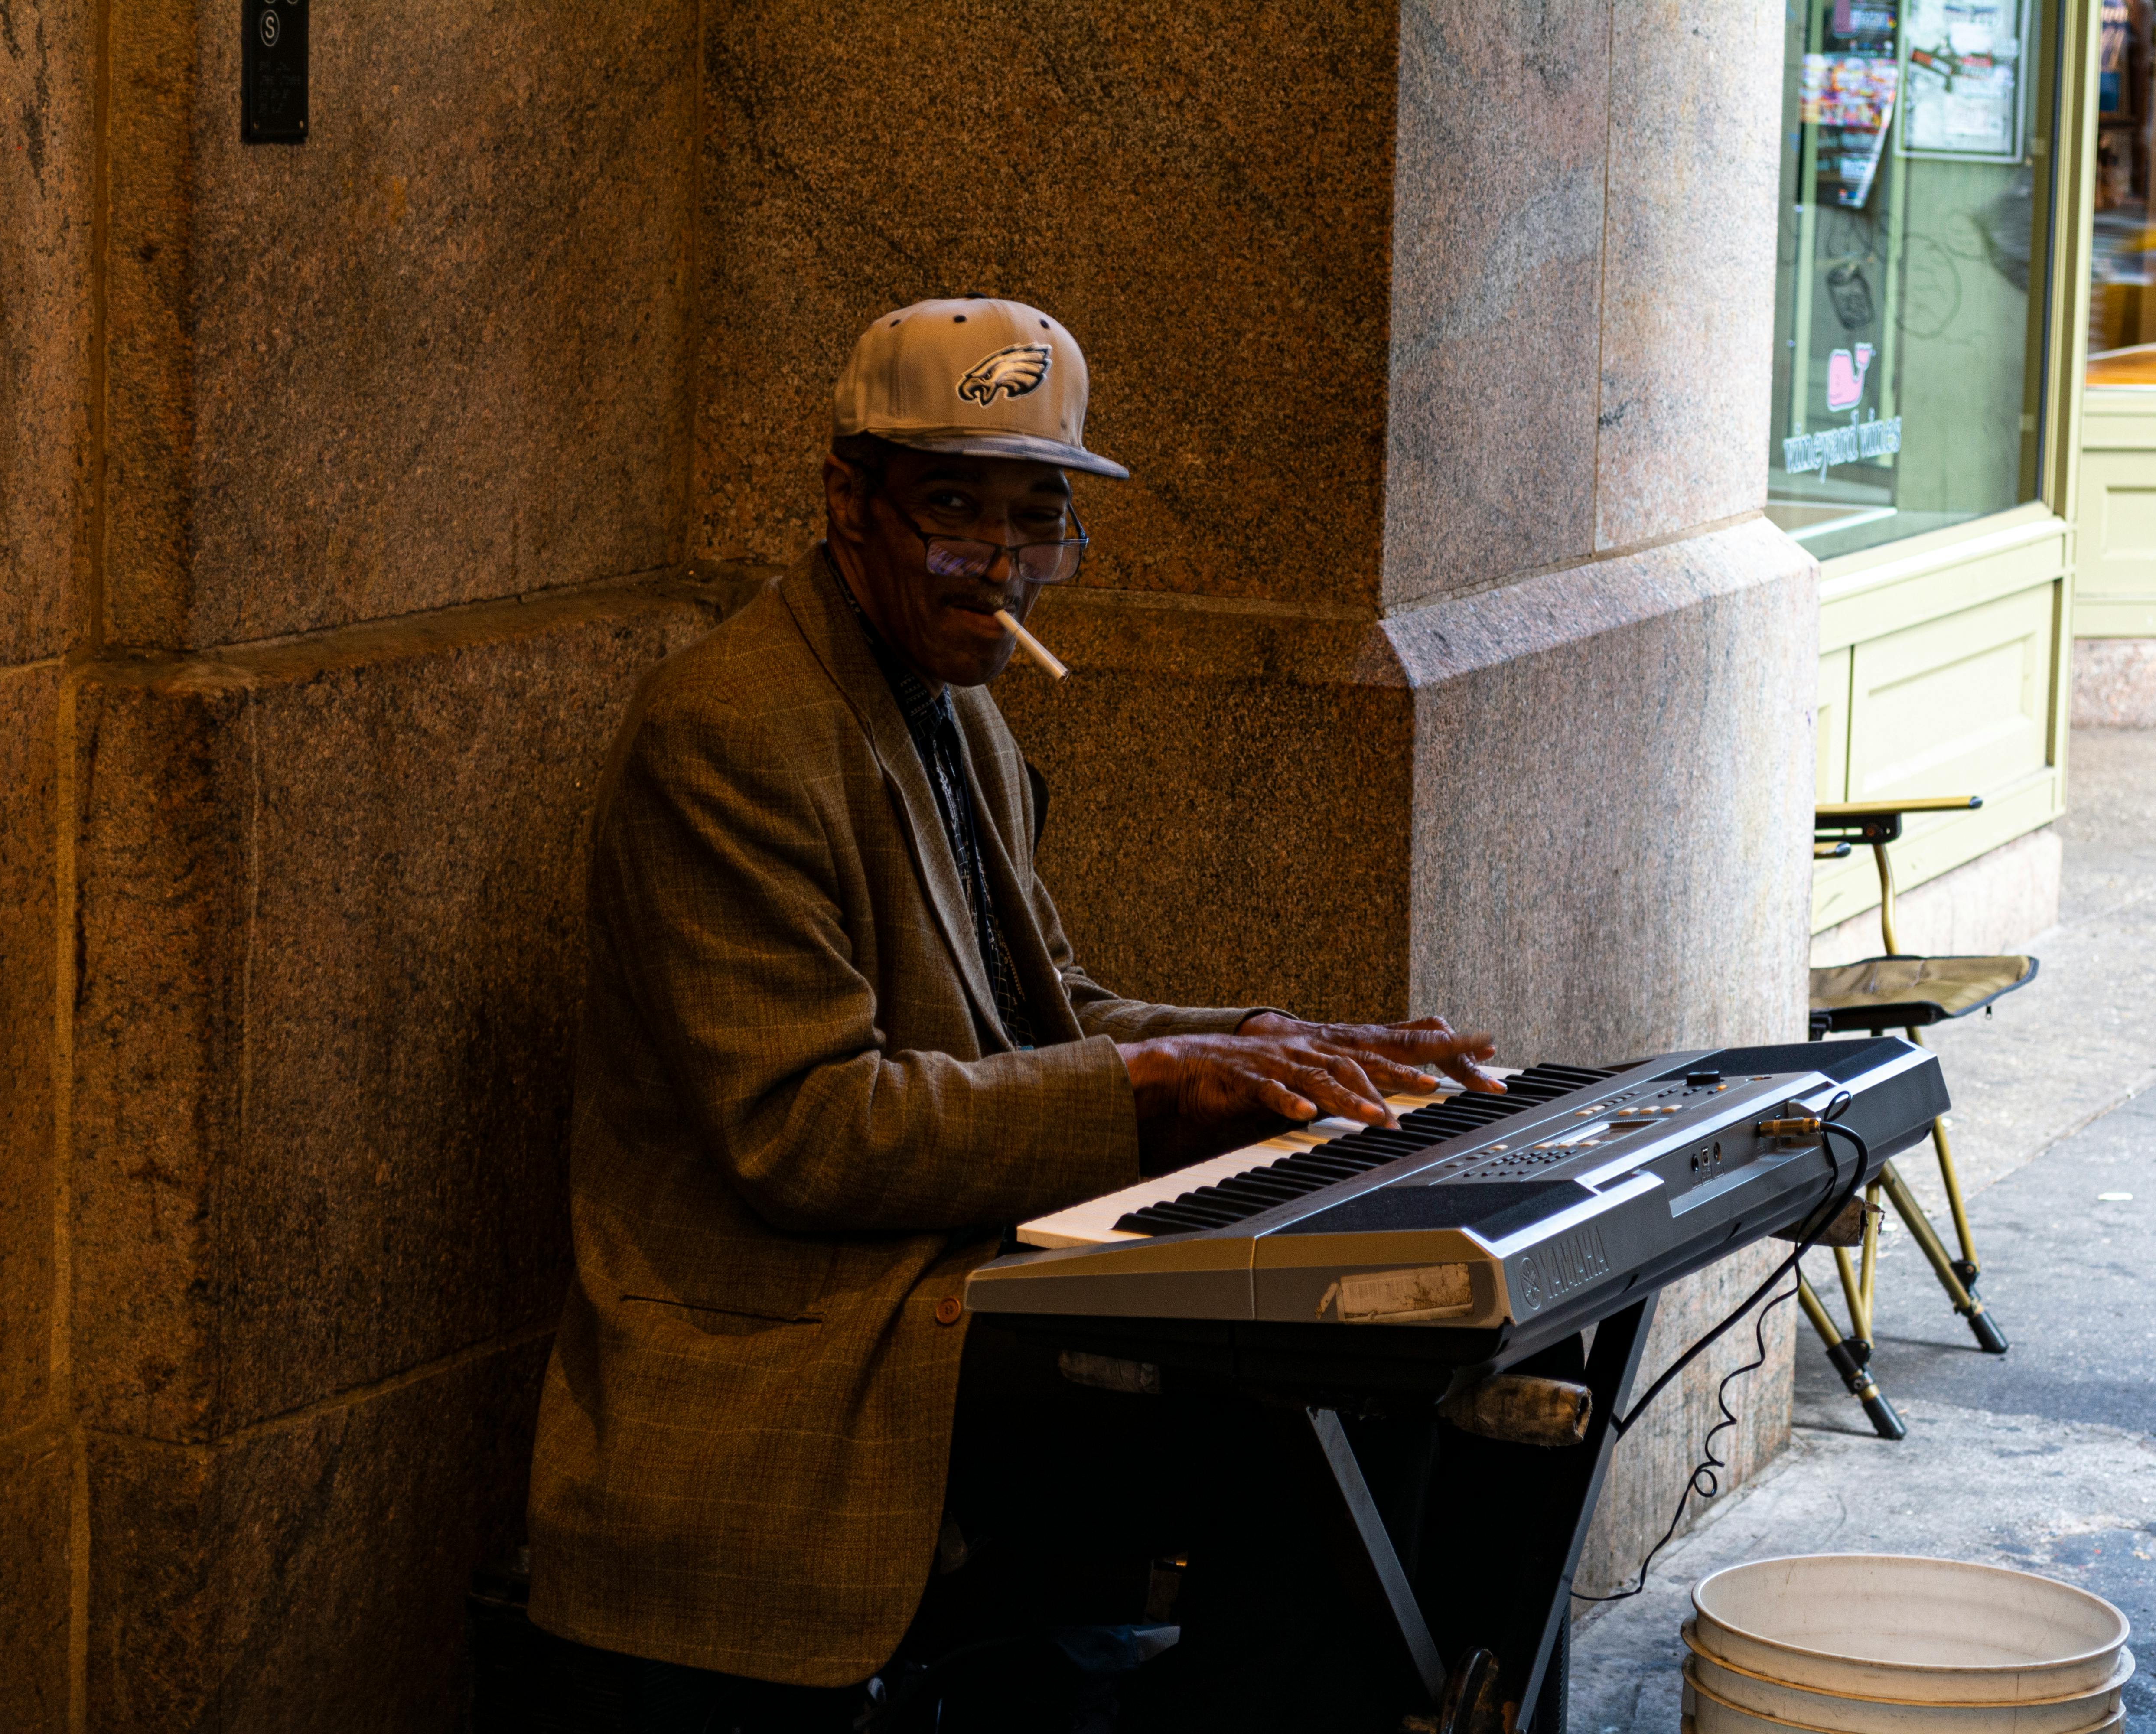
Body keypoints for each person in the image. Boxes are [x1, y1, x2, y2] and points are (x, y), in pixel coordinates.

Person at [524, 296, 1500, 1730]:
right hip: (808, 1347)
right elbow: (804, 1134)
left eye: (1036, 524)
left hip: (964, 1282)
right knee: (1305, 1425)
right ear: (848, 505)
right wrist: (1160, 1081)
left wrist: (1265, 1046)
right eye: (952, 514)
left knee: (1406, 1374)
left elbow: (1054, 1011)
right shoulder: (728, 731)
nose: (1001, 571)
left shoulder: (958, 703)